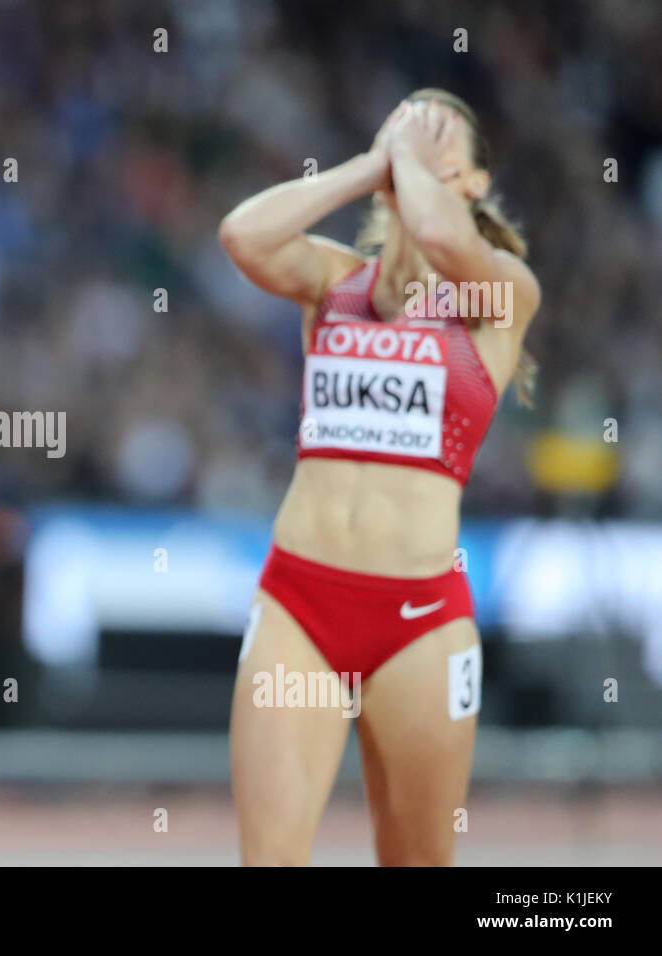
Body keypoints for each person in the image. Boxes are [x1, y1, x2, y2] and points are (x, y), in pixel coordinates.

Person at [219, 90, 540, 865]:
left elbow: (435, 231)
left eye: (439, 143)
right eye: (403, 127)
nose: (414, 145)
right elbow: (242, 234)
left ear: (471, 184)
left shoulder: (497, 297)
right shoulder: (335, 281)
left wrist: (410, 164)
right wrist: (369, 165)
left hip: (422, 622)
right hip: (300, 602)